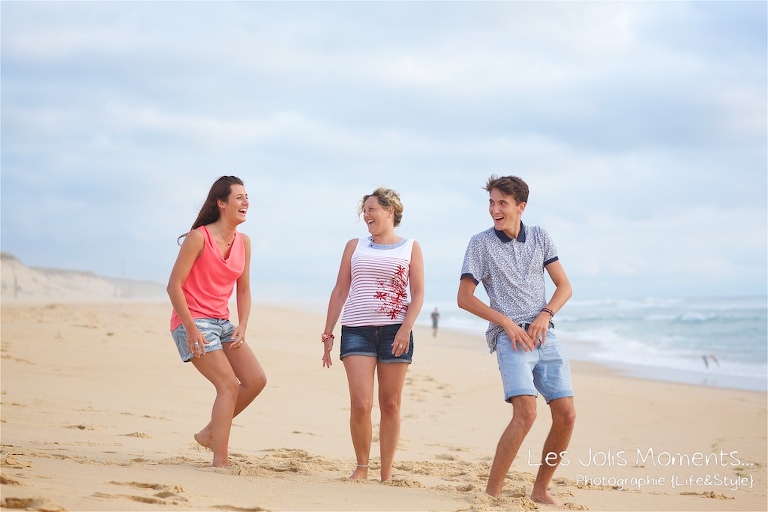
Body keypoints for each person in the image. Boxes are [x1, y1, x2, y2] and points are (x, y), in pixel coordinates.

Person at [457, 175, 574, 504]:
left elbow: (564, 286)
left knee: (566, 415)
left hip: (544, 334)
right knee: (526, 414)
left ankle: (540, 490)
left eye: (502, 203)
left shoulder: (540, 237)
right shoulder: (480, 244)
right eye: (491, 203)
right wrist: (506, 322)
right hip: (510, 338)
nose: (494, 209)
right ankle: (491, 494)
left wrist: (546, 314)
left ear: (521, 207)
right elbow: (464, 298)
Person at [321, 187, 424, 482]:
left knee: (391, 403)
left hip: (396, 332)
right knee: (361, 403)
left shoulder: (411, 247)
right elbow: (340, 290)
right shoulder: (355, 246)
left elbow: (417, 295)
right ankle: (362, 467)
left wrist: (406, 328)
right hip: (356, 331)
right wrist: (328, 333)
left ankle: (387, 471)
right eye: (364, 211)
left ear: (389, 211)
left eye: (371, 209)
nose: (366, 215)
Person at [167, 175, 267, 468]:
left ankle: (211, 432)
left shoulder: (244, 242)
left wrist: (243, 323)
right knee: (228, 385)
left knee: (256, 380)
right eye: (239, 197)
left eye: (247, 197)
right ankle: (220, 460)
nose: (246, 202)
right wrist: (190, 327)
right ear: (221, 203)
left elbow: (244, 288)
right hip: (191, 321)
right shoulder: (199, 237)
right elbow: (174, 286)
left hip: (223, 322)